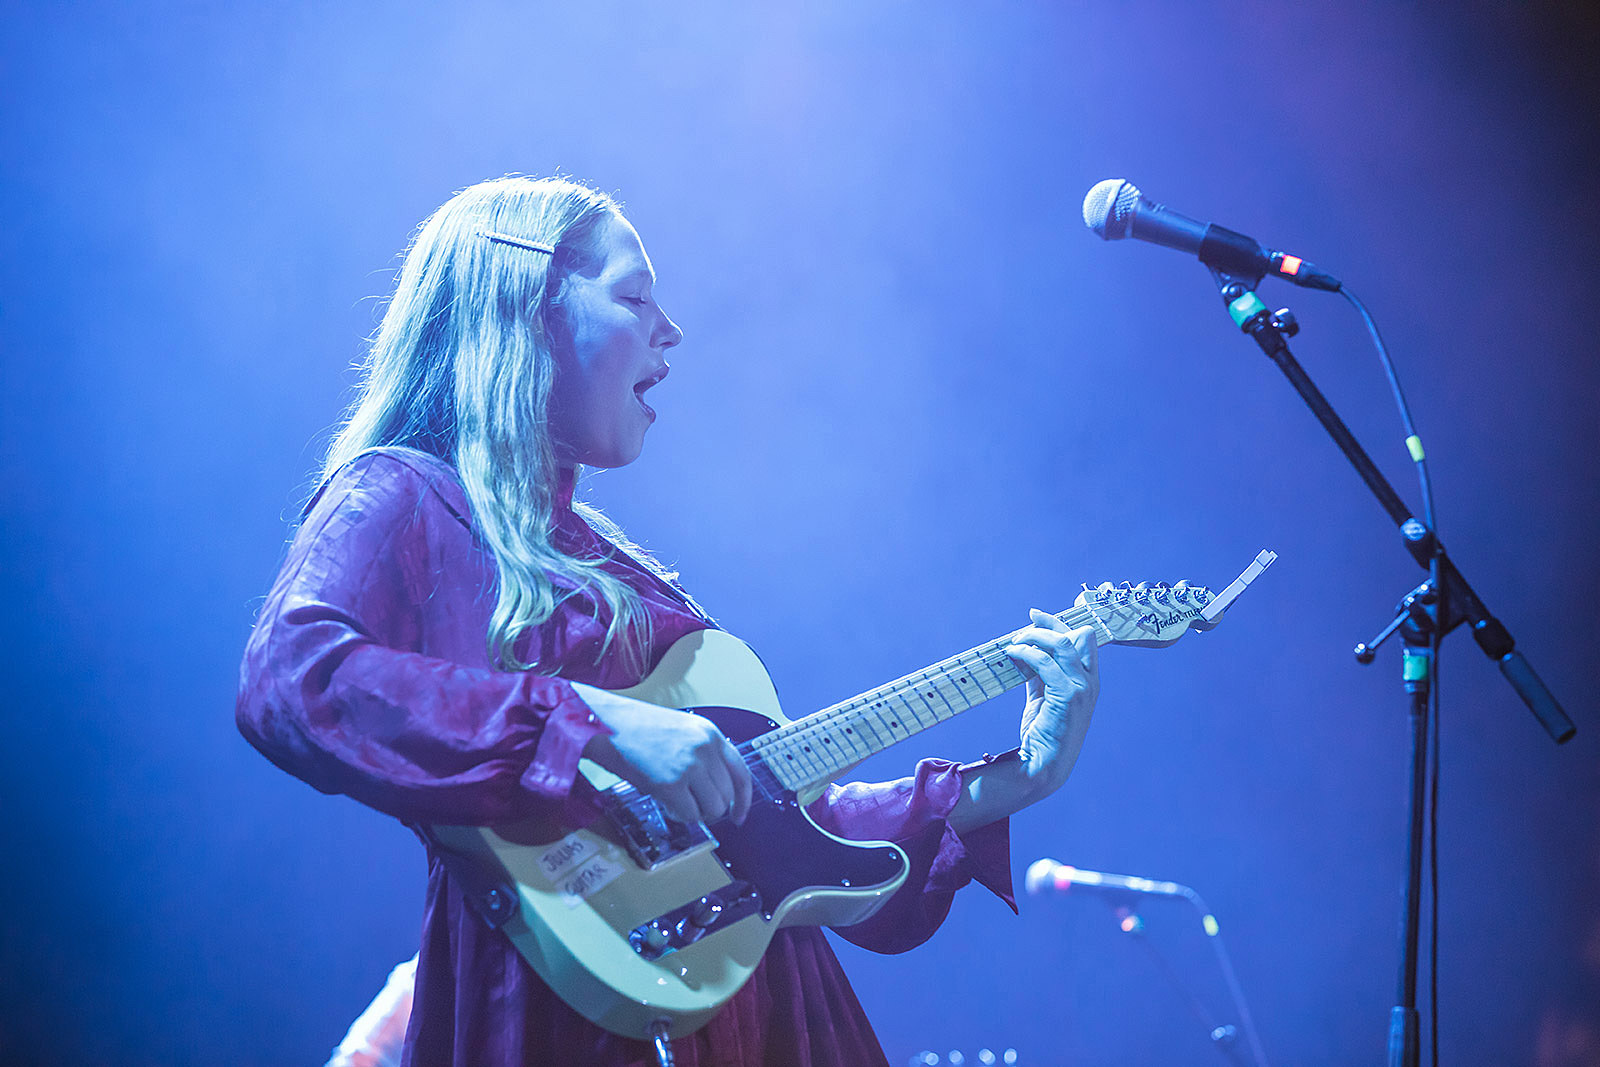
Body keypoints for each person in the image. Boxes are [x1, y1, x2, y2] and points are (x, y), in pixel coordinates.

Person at [237, 175, 1100, 1067]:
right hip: (569, 1020)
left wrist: (1014, 780)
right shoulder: (408, 495)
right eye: (634, 295)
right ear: (523, 308)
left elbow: (768, 826)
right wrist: (595, 721)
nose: (671, 329)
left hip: (763, 1015)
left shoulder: (605, 555)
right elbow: (296, 678)